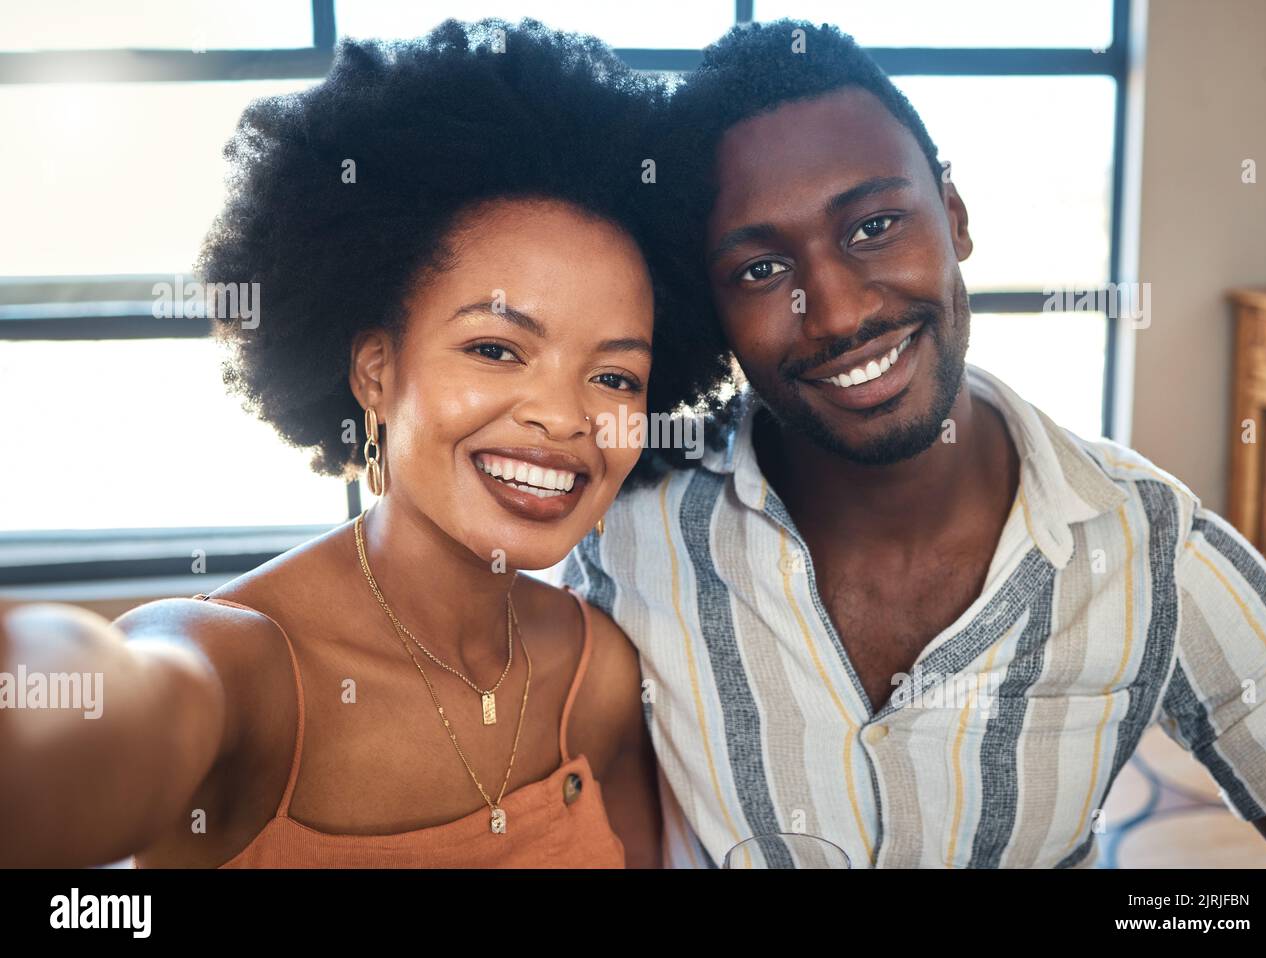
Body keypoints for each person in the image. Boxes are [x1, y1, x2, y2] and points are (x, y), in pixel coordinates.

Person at [564, 20, 1266, 868]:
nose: (837, 313)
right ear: (711, 308)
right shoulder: (623, 533)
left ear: (953, 216)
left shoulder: (1152, 547)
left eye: (874, 225)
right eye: (761, 271)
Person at [0, 18, 727, 869]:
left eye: (615, 378)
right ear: (376, 371)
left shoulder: (593, 676)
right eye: (496, 350)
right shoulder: (245, 670)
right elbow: (101, 708)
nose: (565, 419)